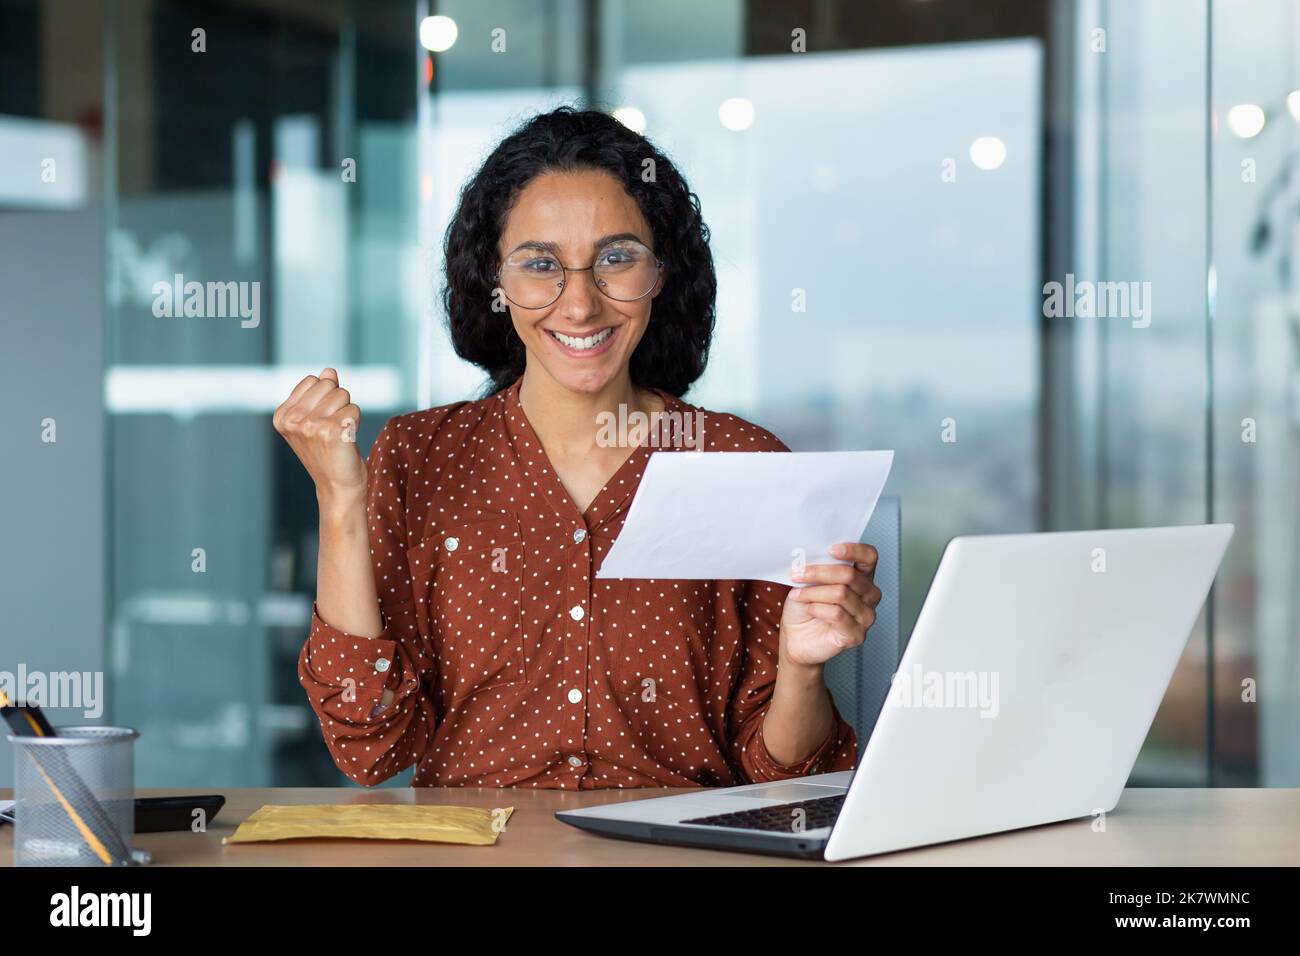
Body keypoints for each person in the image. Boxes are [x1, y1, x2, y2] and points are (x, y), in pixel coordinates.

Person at [273, 106, 881, 789]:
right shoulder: (420, 455)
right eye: (540, 265)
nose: (581, 304)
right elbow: (371, 743)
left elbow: (786, 774)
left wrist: (801, 668)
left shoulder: (743, 462)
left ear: (661, 273)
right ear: (495, 282)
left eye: (616, 258)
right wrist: (338, 499)